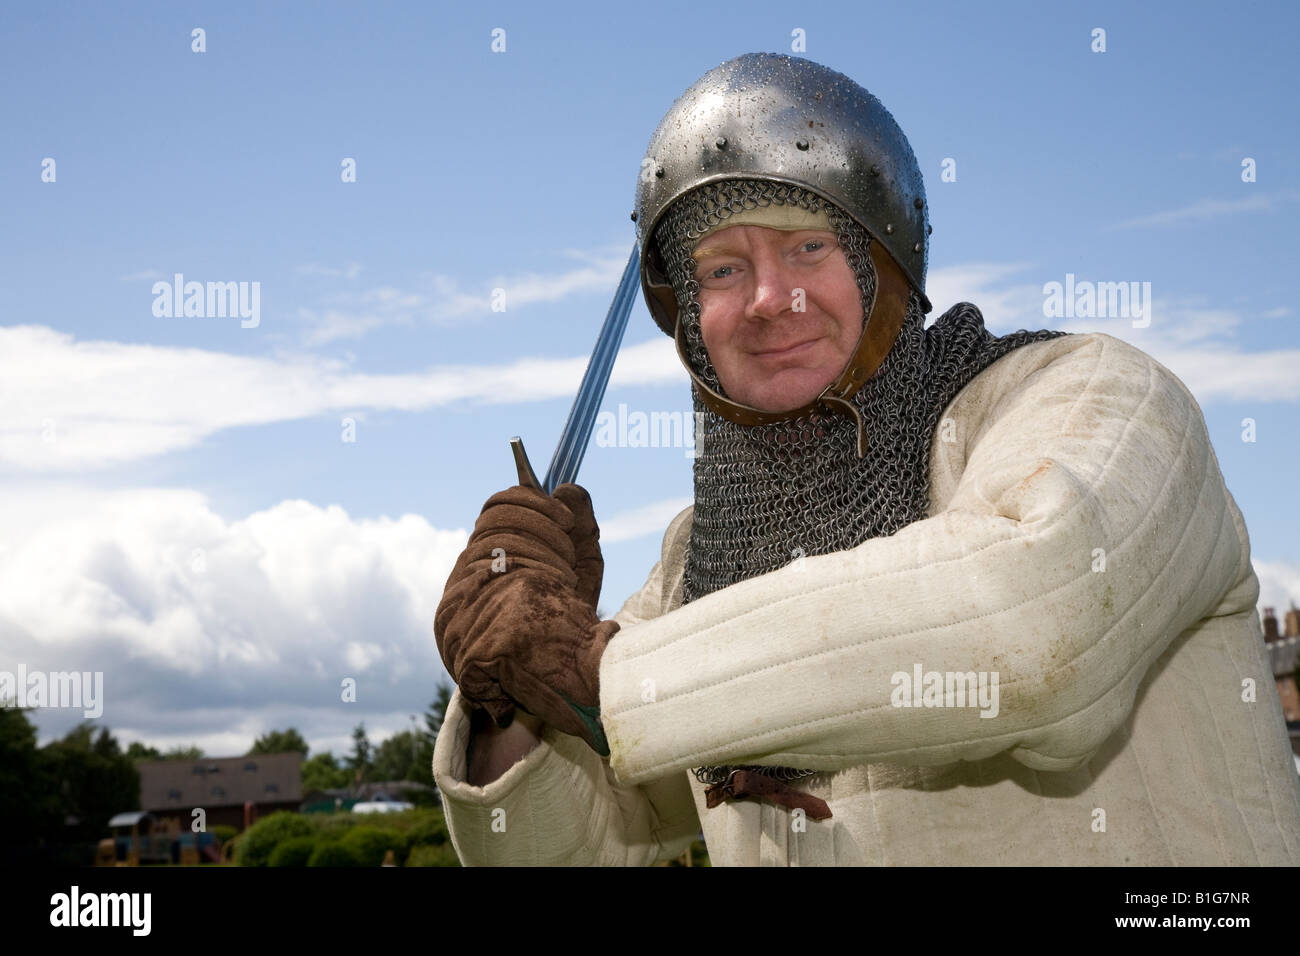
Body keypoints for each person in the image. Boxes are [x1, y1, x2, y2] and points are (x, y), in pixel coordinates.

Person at [431, 52, 1300, 865]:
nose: (771, 300)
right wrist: (512, 695)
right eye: (723, 270)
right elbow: (570, 847)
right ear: (687, 316)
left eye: (809, 247)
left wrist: (600, 671)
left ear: (884, 261)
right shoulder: (695, 566)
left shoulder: (1099, 399)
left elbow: (1037, 629)